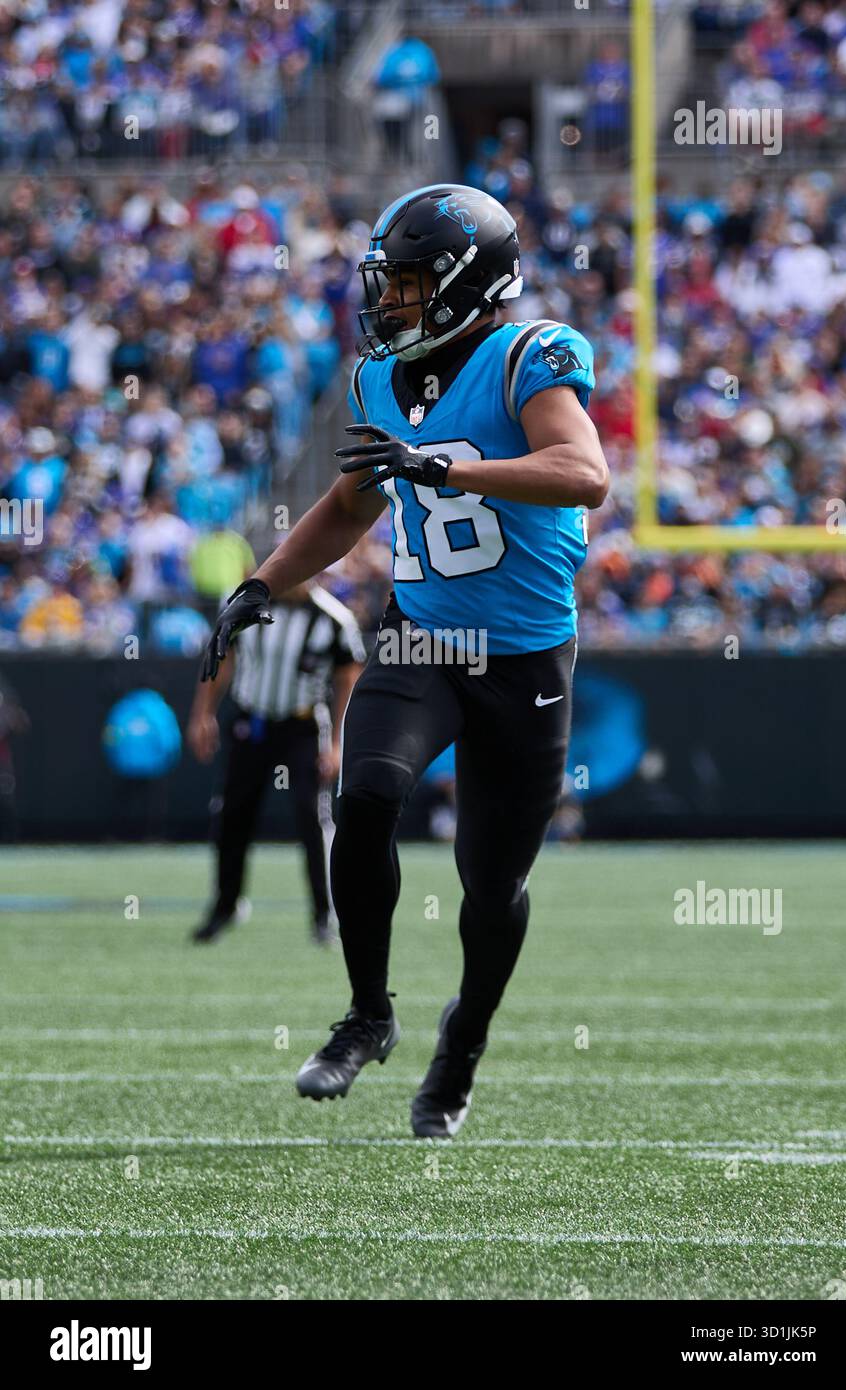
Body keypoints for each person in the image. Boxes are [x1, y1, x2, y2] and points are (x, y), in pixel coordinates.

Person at [201, 183, 609, 1137]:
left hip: (523, 658)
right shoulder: (380, 378)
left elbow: (582, 473)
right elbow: (350, 507)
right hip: (420, 636)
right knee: (368, 793)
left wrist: (441, 467)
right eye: (389, 284)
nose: (391, 302)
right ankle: (367, 1014)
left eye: (415, 284)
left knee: (491, 886)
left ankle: (460, 1044)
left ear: (469, 283)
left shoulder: (530, 357)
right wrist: (262, 584)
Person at [189, 578, 364, 944]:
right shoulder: (242, 604)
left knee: (311, 817)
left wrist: (336, 742)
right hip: (251, 722)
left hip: (303, 725)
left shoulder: (333, 618)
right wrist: (203, 714)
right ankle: (226, 906)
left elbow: (348, 676)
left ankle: (322, 915)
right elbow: (222, 656)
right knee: (232, 812)